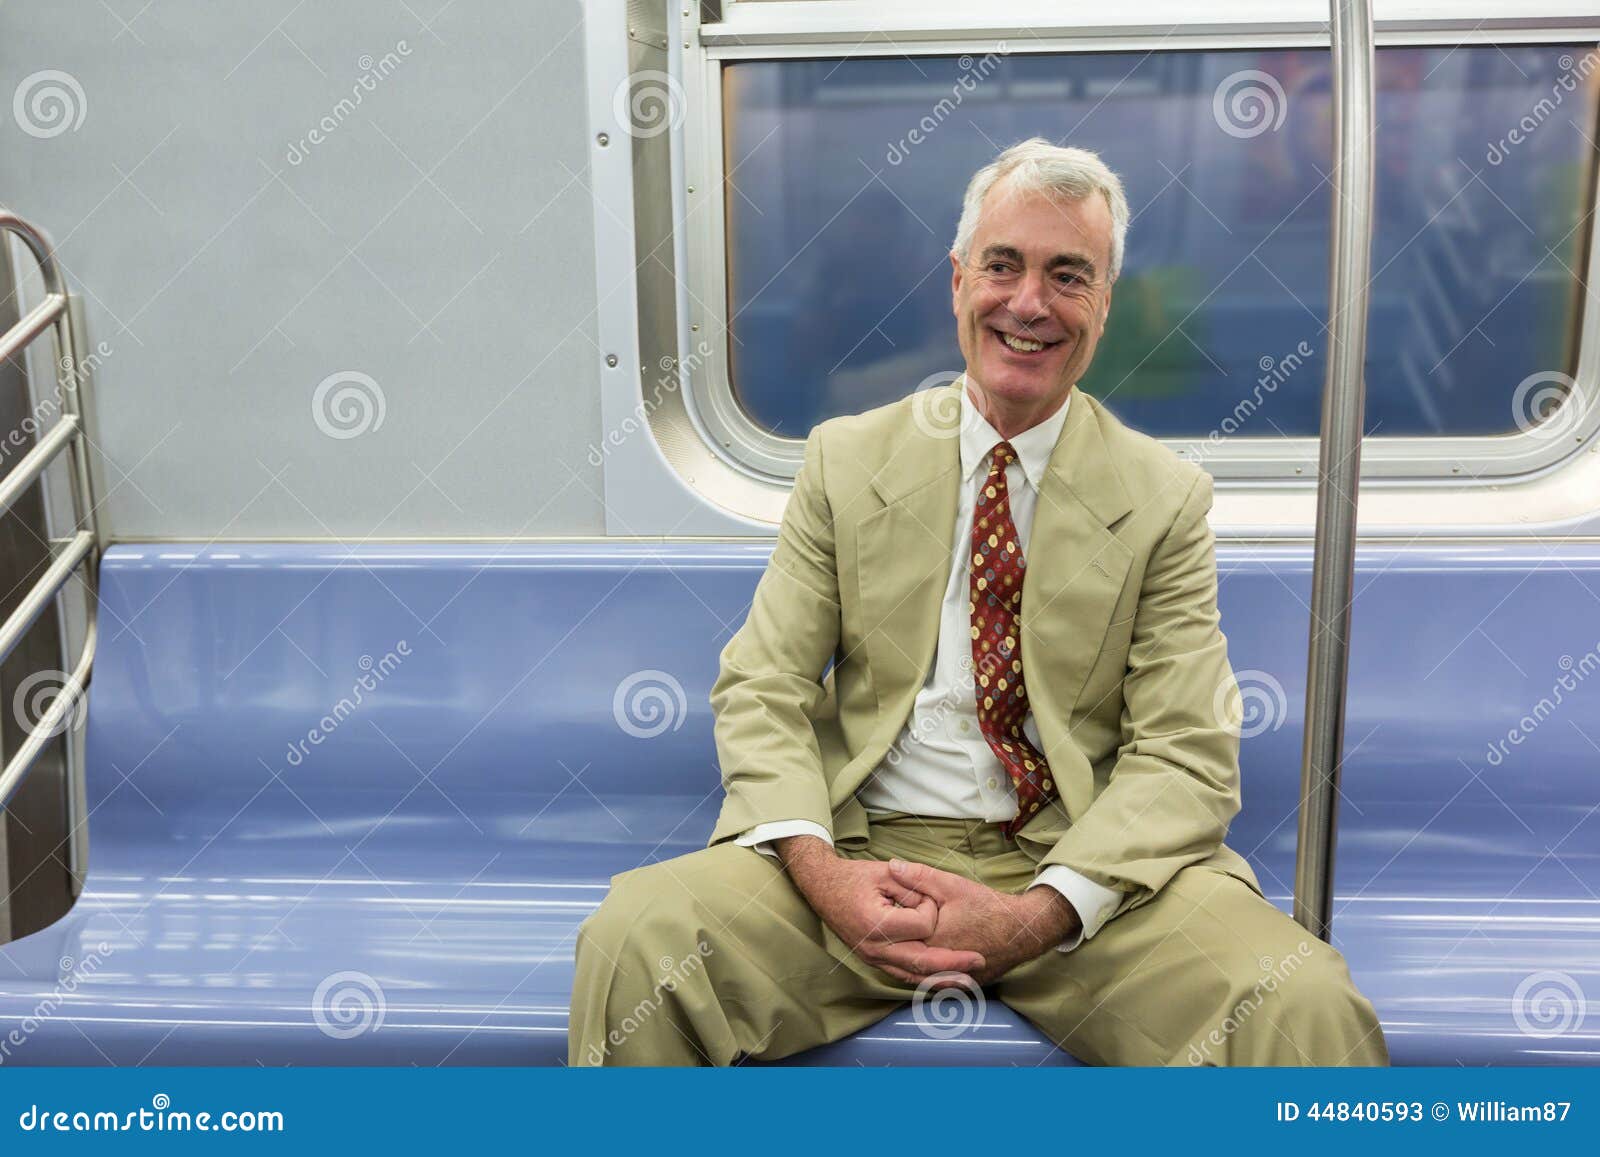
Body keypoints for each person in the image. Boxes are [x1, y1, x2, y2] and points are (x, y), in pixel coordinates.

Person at [568, 137, 1388, 1067]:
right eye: (1003, 265)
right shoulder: (847, 459)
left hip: (1078, 872)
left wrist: (1038, 912)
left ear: (1104, 305)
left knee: (1302, 1005)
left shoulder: (1163, 497)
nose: (1029, 302)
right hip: (863, 851)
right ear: (958, 281)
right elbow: (763, 687)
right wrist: (823, 873)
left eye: (1067, 275)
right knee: (638, 938)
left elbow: (1185, 751)